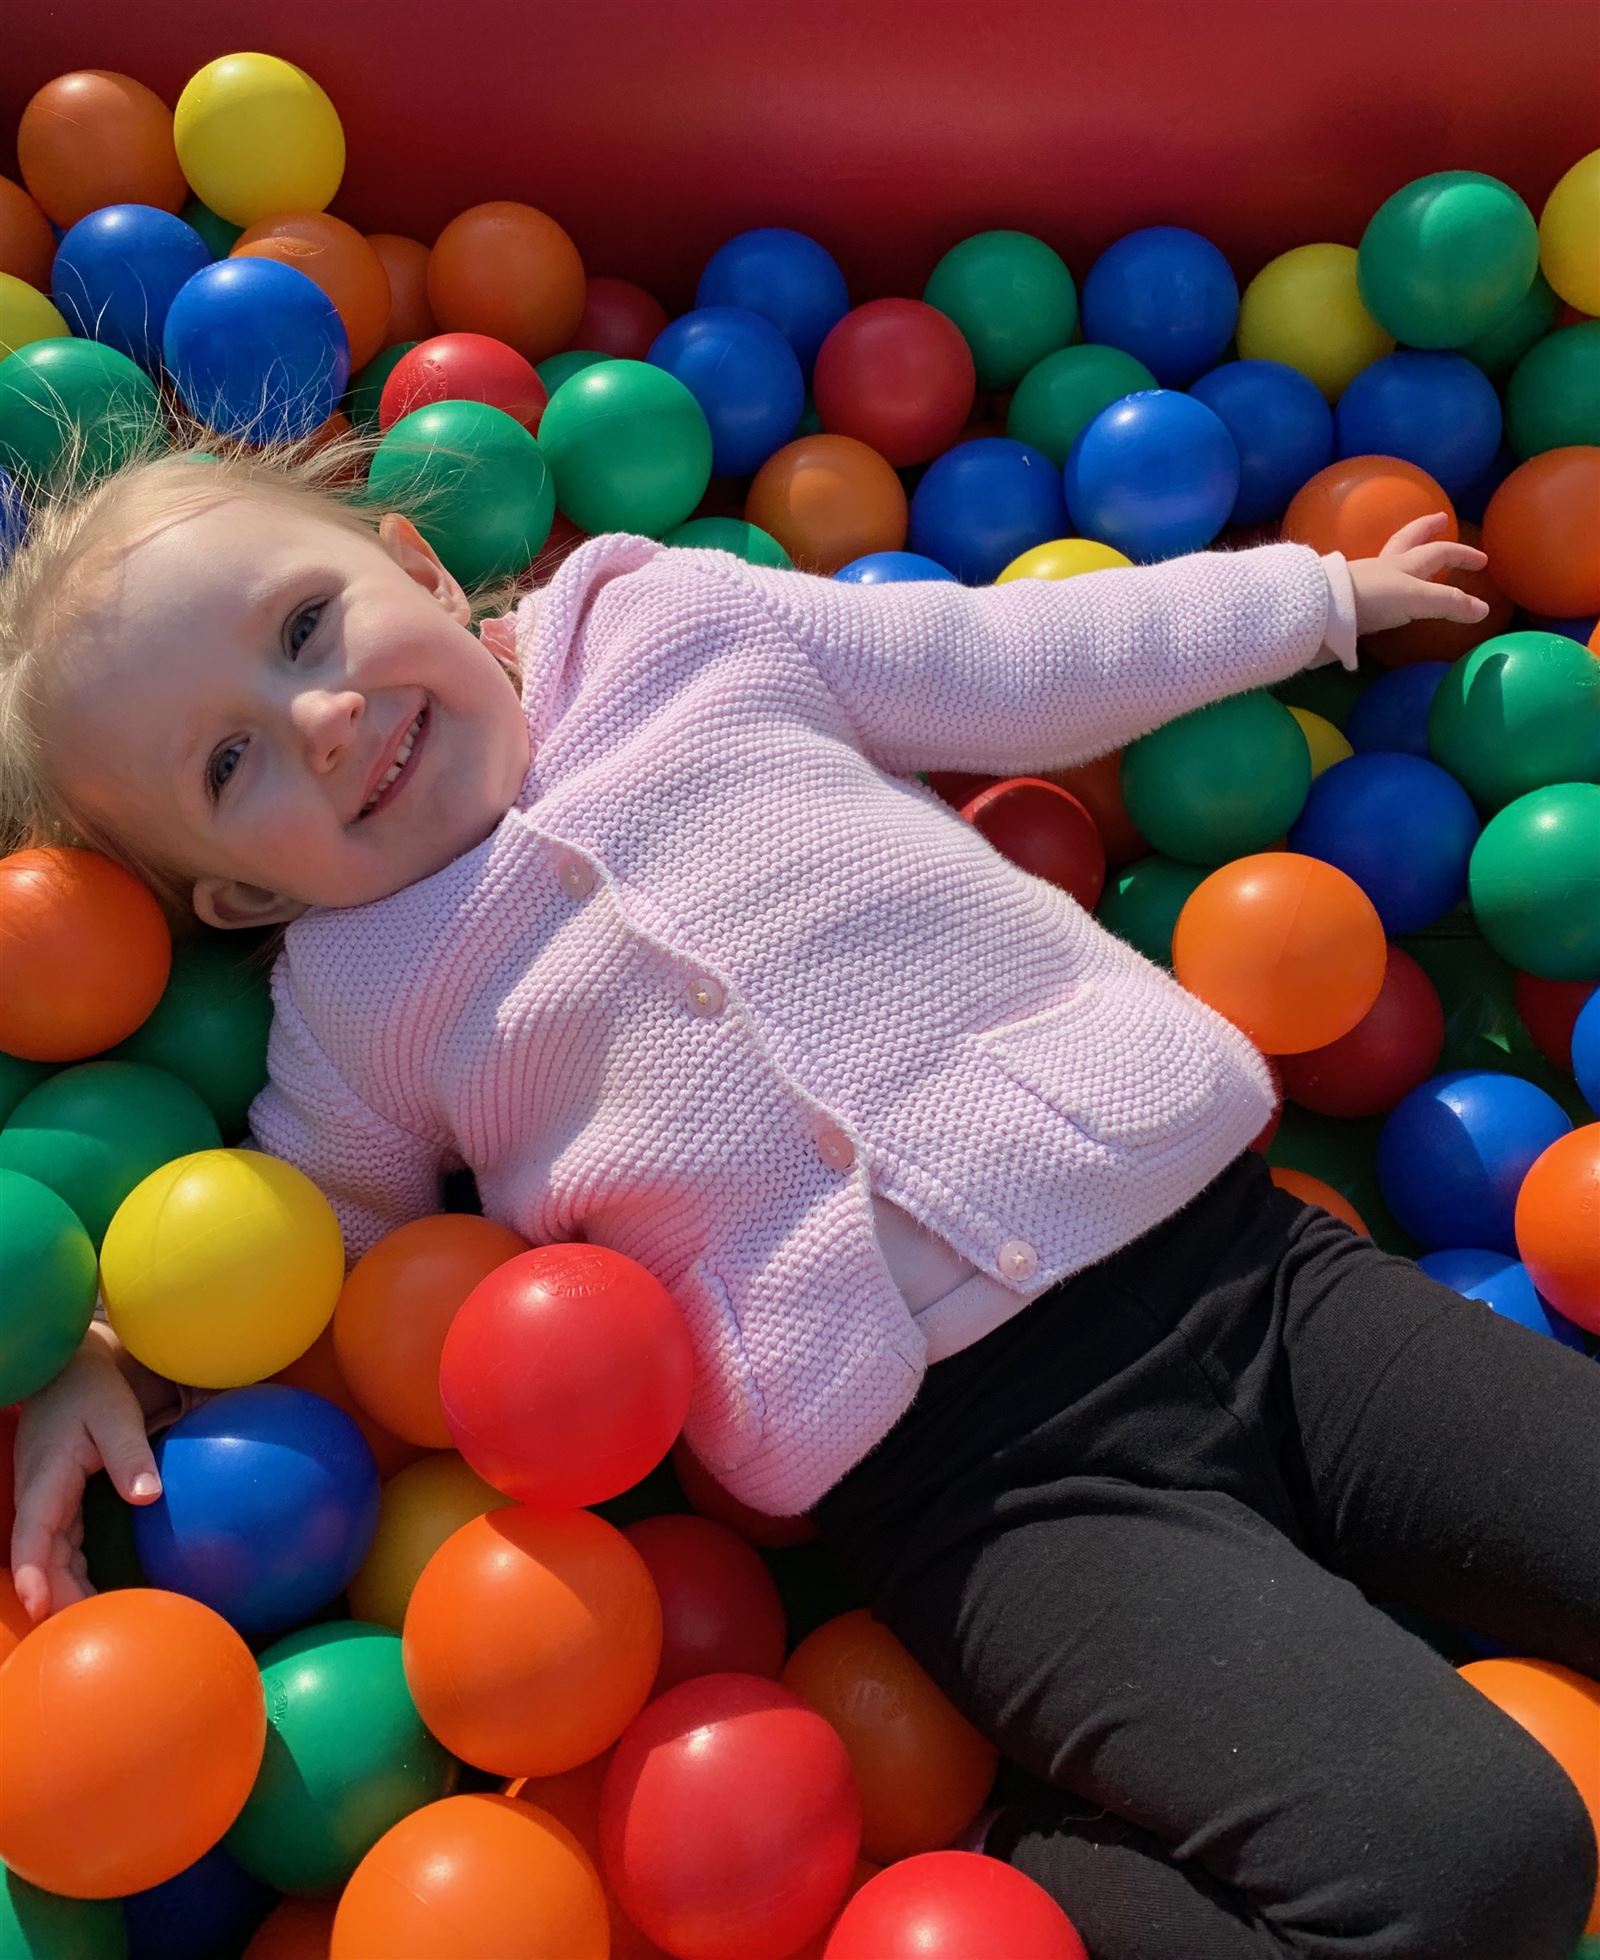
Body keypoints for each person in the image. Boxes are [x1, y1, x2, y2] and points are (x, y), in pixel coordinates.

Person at [2, 435, 1596, 1959]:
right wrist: (108, 1348)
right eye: (231, 763)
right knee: (1475, 1866)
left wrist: (1310, 601)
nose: (325, 718)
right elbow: (292, 1239)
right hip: (992, 1490)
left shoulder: (675, 626)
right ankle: (999, 1875)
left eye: (303, 625)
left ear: (416, 564)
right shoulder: (355, 1005)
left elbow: (1007, 659)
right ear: (243, 897)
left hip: (1261, 1283)